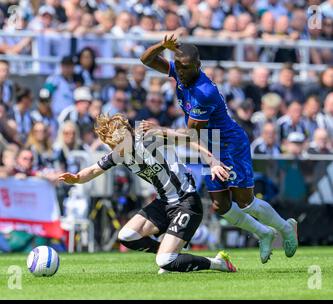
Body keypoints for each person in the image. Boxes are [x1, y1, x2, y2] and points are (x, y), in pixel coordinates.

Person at [140, 34, 298, 263]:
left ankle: (285, 228)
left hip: (230, 143)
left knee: (245, 201)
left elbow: (192, 133)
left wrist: (158, 130)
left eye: (185, 68)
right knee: (220, 205)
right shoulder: (181, 72)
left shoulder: (204, 93)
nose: (180, 73)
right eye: (178, 68)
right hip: (210, 142)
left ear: (198, 66)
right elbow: (145, 59)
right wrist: (162, 46)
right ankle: (263, 233)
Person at [59, 113, 237, 274]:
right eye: (115, 145)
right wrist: (76, 178)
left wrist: (213, 162)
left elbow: (191, 137)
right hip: (163, 204)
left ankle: (217, 263)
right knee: (126, 236)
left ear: (129, 133)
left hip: (186, 202)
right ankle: (171, 253)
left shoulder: (150, 138)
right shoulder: (118, 154)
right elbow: (92, 170)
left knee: (164, 261)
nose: (120, 149)